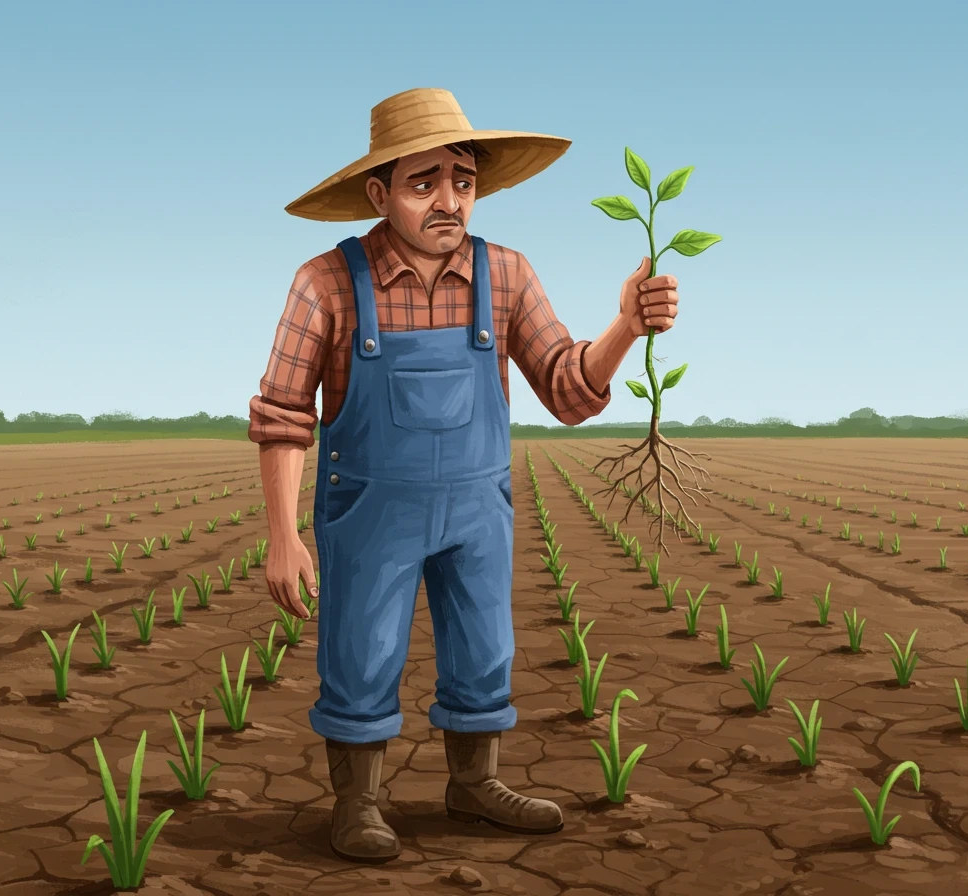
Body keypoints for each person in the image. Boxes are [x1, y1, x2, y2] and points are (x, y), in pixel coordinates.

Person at [247, 87, 681, 864]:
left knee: (485, 648)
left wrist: (625, 325)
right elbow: (282, 416)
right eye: (425, 183)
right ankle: (359, 801)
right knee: (362, 649)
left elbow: (568, 388)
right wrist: (282, 534)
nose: (449, 200)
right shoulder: (325, 284)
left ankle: (473, 786)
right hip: (371, 511)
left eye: (463, 180)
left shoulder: (506, 275)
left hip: (478, 506)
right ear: (379, 193)